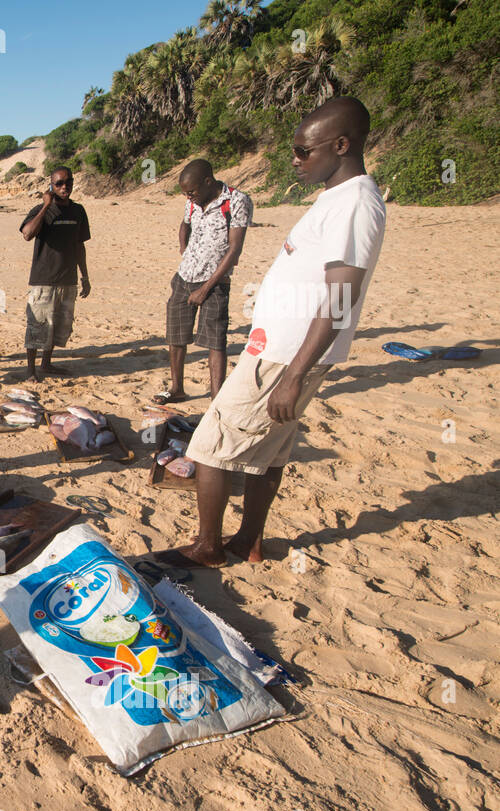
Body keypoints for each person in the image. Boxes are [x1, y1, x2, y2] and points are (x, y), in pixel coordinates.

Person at [158, 97, 386, 567]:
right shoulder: (337, 199)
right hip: (281, 352)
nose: (296, 159)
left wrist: (296, 372)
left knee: (211, 447)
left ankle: (208, 548)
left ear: (341, 145)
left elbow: (340, 296)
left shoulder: (355, 204)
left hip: (284, 358)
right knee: (269, 452)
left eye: (304, 151)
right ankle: (249, 541)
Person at [157, 159, 253, 403]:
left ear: (208, 182)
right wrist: (184, 249)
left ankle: (216, 398)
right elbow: (185, 224)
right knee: (176, 336)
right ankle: (177, 388)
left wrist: (205, 289)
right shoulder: (192, 202)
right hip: (184, 276)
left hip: (215, 282)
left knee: (215, 340)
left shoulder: (236, 201)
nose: (189, 198)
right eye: (185, 194)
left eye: (192, 192)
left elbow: (234, 250)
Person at [20, 167, 91, 381]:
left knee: (58, 325)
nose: (64, 187)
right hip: (43, 279)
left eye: (68, 182)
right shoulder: (41, 209)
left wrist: (85, 276)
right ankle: (31, 369)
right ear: (51, 185)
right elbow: (27, 234)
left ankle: (47, 364)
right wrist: (45, 206)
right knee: (38, 325)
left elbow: (80, 246)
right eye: (59, 183)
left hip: (67, 279)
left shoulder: (78, 211)